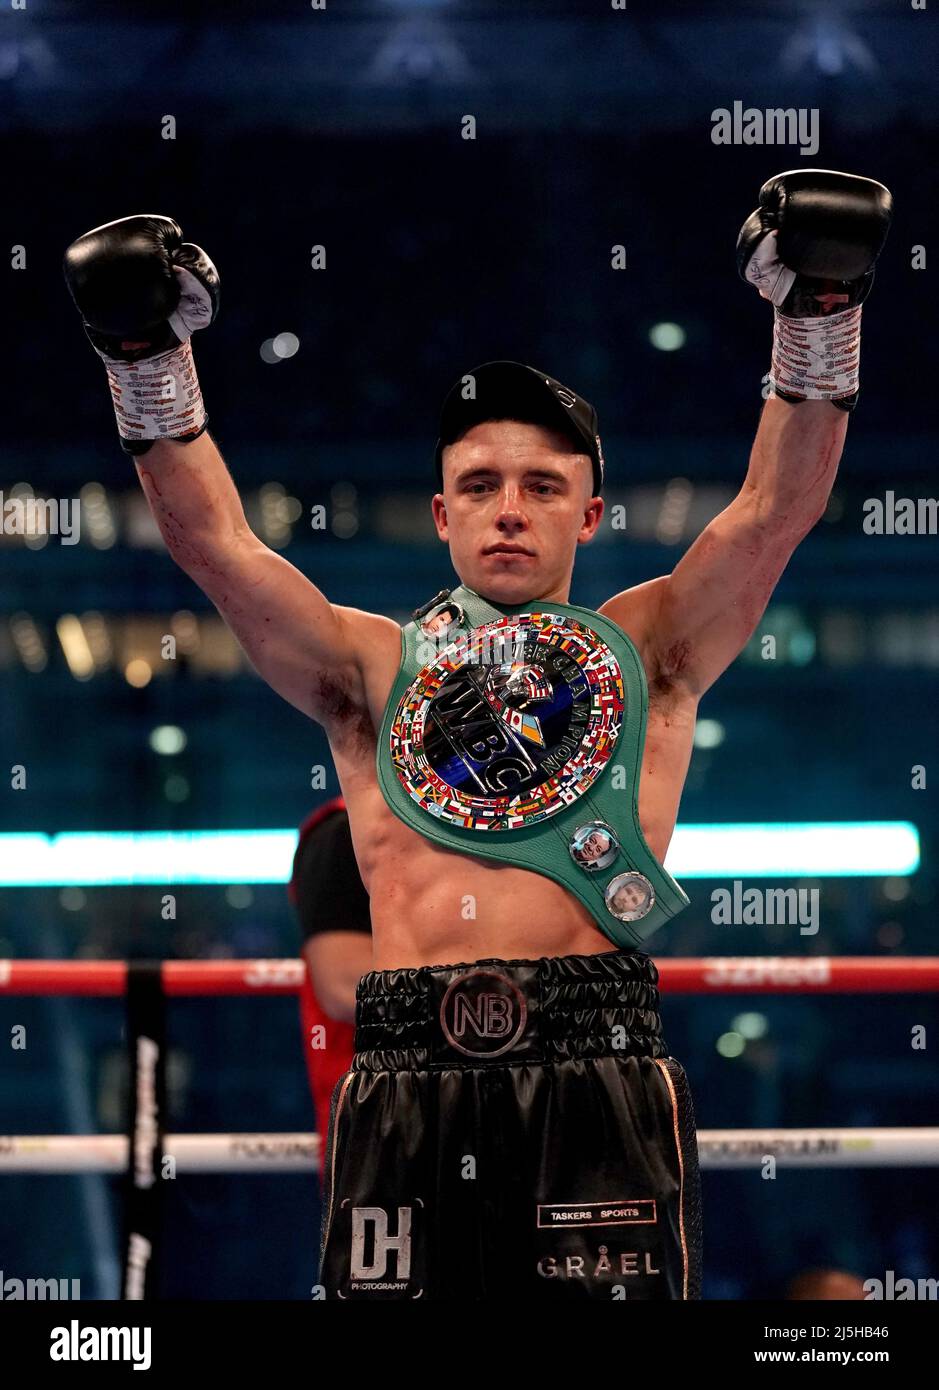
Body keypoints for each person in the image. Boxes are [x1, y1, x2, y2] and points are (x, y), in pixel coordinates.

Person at [63, 168, 892, 1299]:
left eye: (544, 486)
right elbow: (222, 550)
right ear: (443, 512)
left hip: (595, 1058)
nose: (511, 506)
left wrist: (821, 316)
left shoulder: (650, 649)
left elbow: (772, 512)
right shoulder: (368, 666)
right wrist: (144, 356)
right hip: (406, 1064)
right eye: (482, 482)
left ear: (590, 515)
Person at [288, 798, 370, 1146]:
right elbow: (345, 988)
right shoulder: (343, 832)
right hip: (377, 1114)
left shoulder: (507, 827)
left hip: (502, 1093)